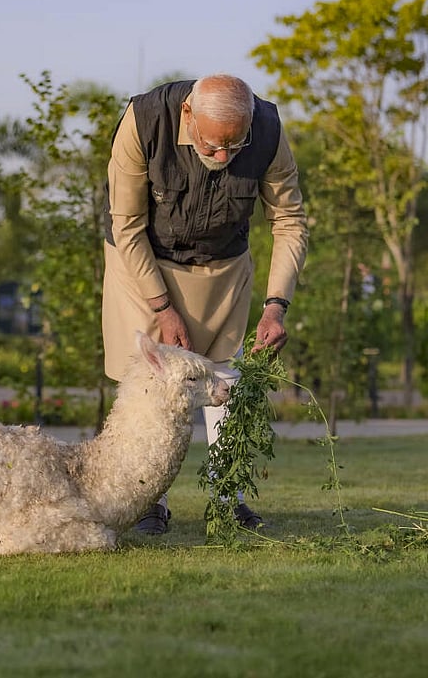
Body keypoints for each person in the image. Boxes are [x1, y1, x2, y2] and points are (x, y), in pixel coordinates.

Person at [102, 74, 308, 533]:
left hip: (222, 265)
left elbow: (289, 221)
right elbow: (127, 225)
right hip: (142, 260)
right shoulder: (143, 121)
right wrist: (162, 307)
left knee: (225, 379)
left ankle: (227, 496)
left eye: (235, 148)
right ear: (188, 115)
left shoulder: (269, 131)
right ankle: (148, 500)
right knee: (150, 382)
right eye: (214, 146)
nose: (223, 158)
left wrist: (276, 306)